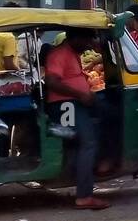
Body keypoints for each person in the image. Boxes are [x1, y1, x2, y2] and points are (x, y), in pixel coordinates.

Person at [44, 29, 109, 210]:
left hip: (75, 102)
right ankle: (84, 196)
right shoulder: (59, 54)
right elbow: (52, 81)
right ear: (75, 38)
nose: (89, 45)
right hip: (65, 104)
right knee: (87, 143)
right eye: (87, 41)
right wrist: (80, 94)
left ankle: (104, 161)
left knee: (107, 114)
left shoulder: (73, 53)